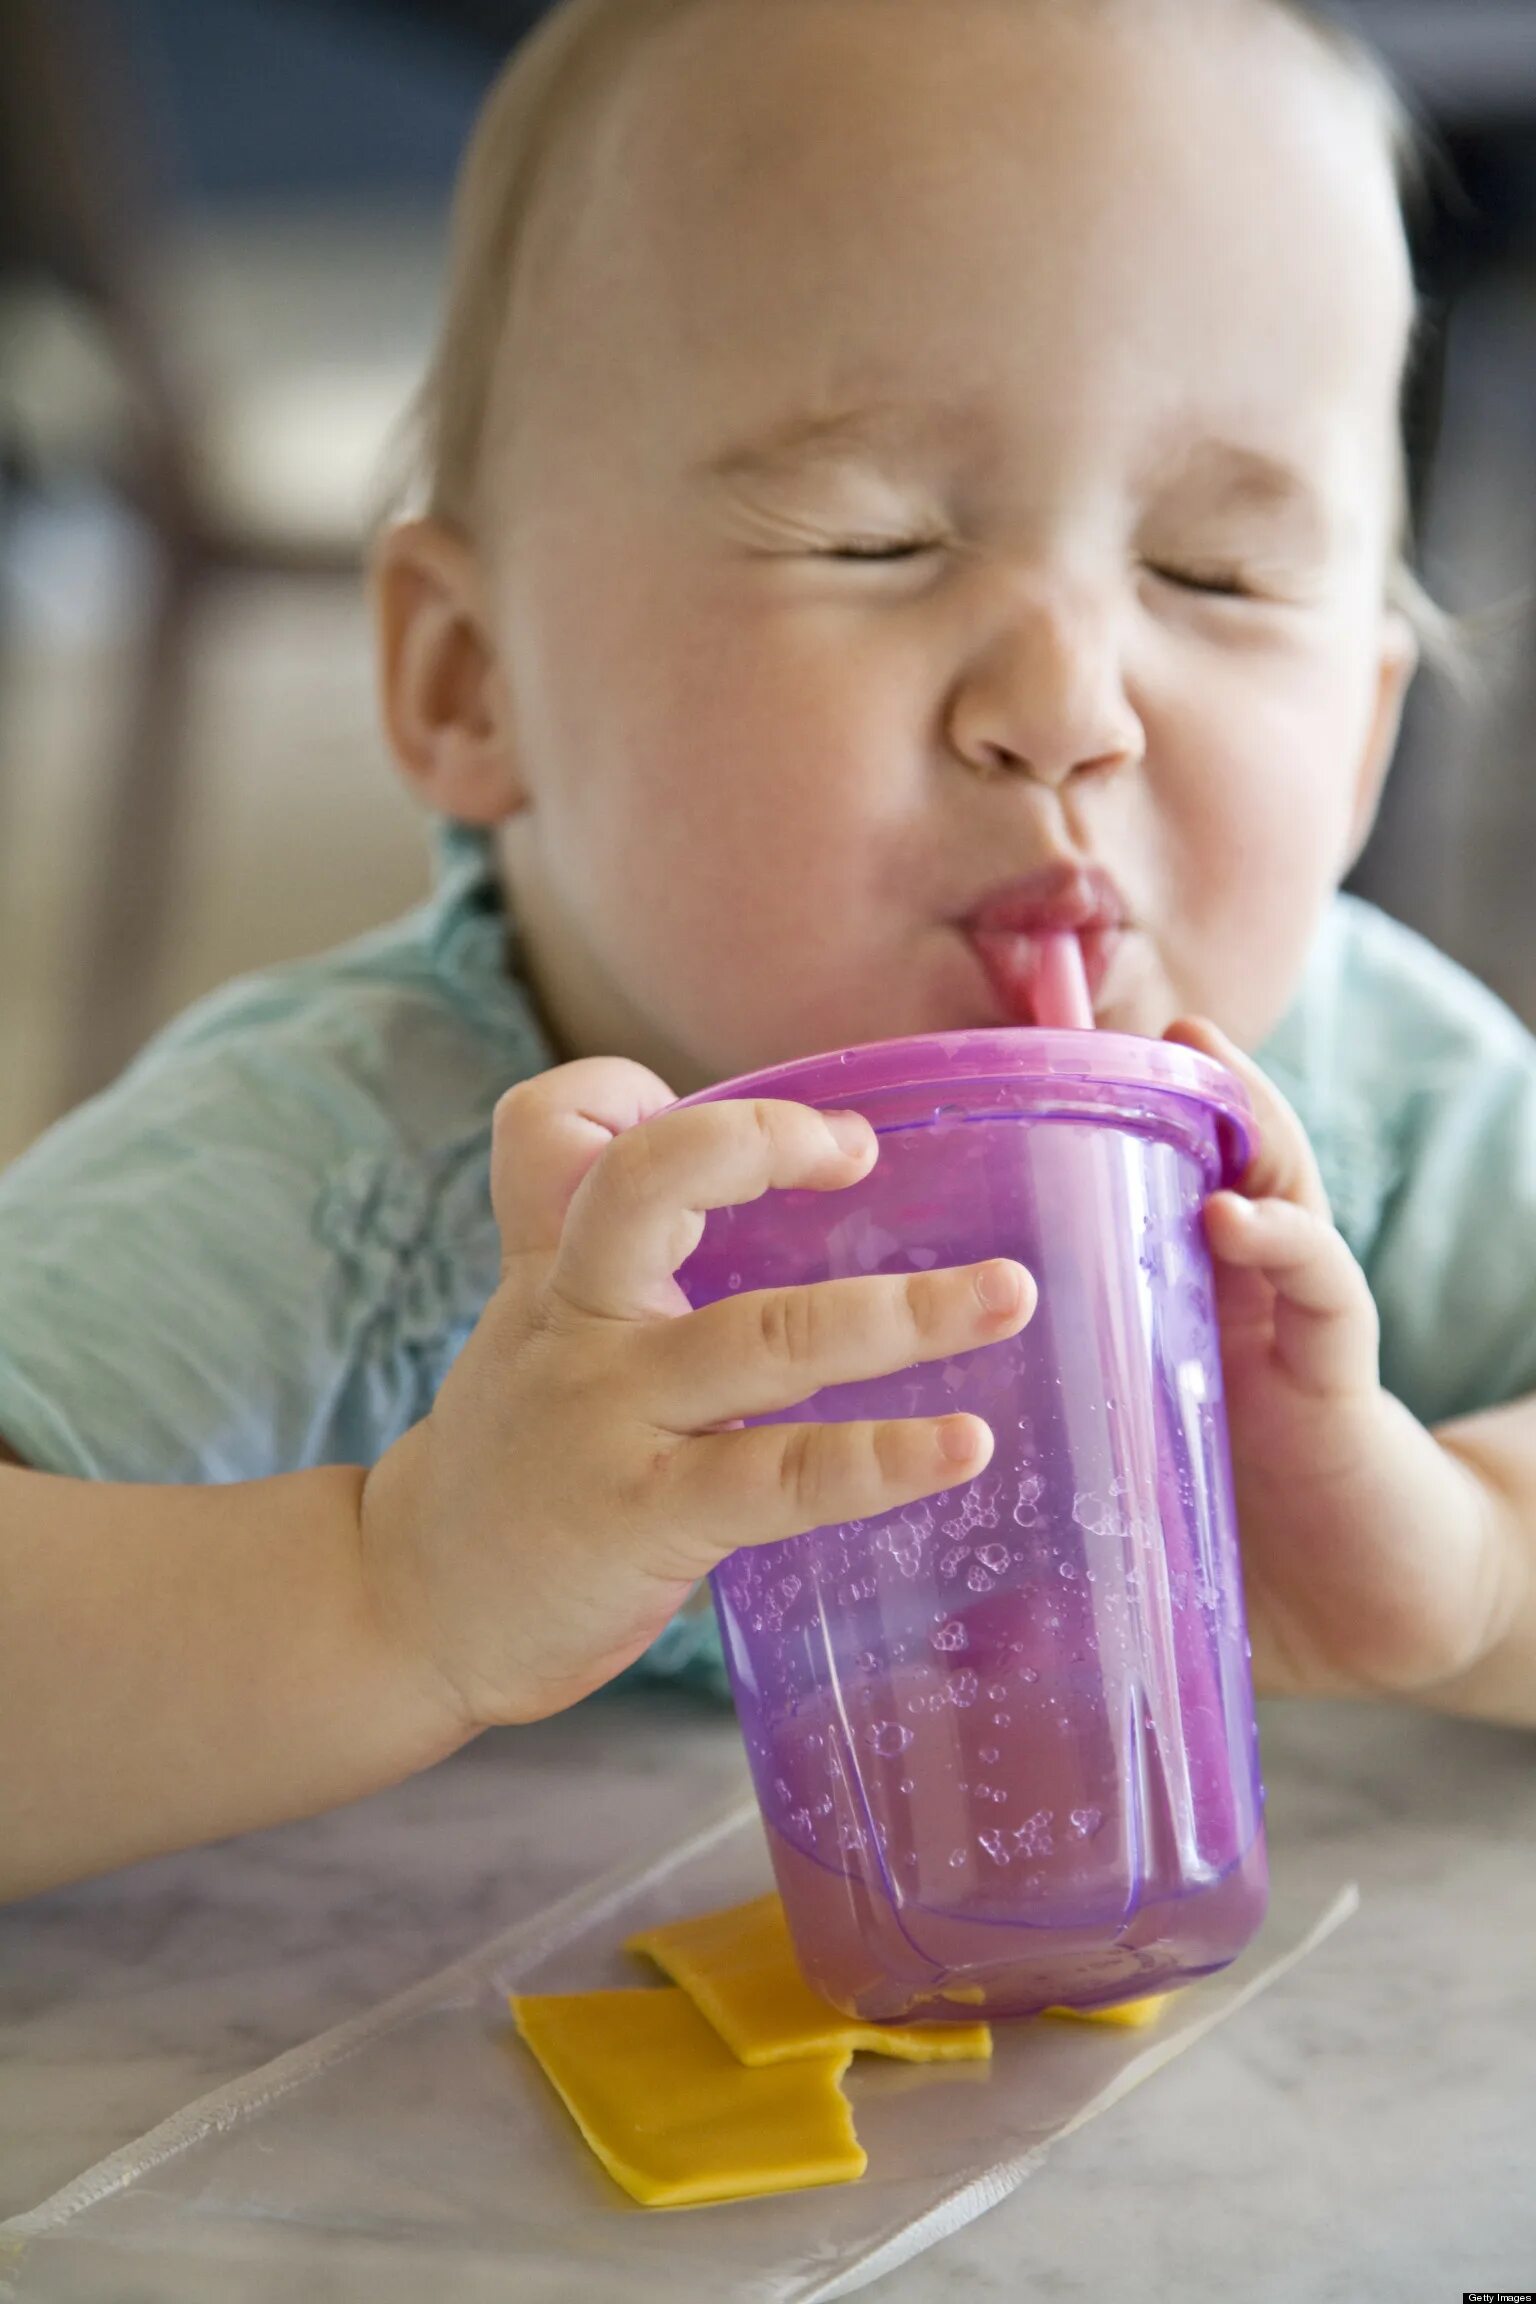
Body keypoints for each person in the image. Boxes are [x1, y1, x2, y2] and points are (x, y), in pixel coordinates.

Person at [3, 0, 1533, 1907]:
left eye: (1217, 576)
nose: (1069, 705)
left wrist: (1468, 1564)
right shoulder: (336, 1184)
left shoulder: (1360, 1105)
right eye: (873, 538)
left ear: (1366, 741)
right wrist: (398, 1585)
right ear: (471, 679)